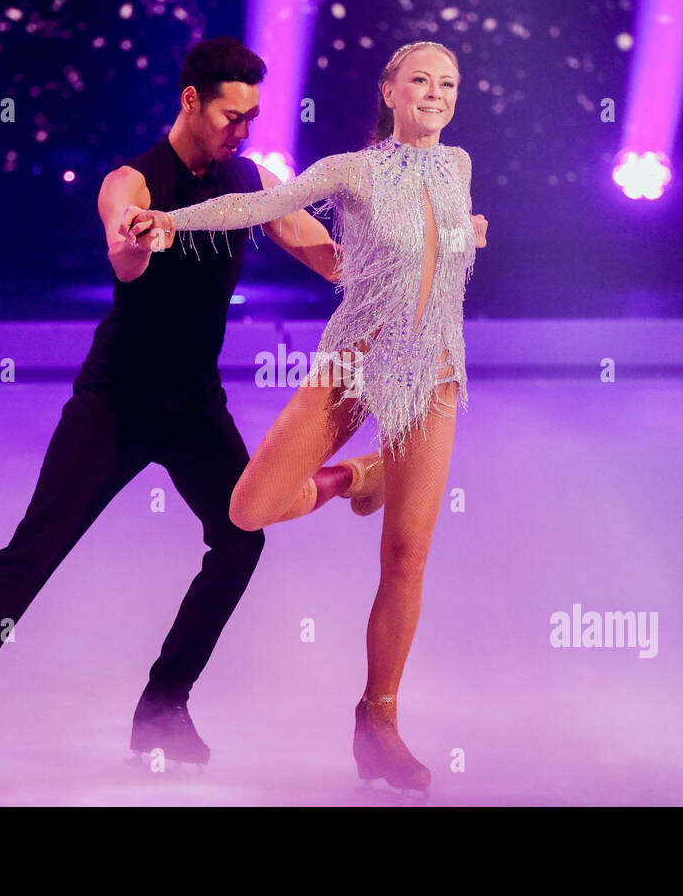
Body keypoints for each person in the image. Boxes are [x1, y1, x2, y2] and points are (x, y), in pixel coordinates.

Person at [0, 35, 361, 780]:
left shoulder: (251, 181)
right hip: (115, 403)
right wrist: (139, 237)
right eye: (232, 116)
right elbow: (124, 250)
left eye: (252, 117)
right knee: (33, 554)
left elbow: (320, 251)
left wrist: (418, 258)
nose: (244, 131)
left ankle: (163, 710)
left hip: (194, 404)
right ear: (191, 101)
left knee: (241, 539)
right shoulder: (132, 180)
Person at [126, 41, 488, 792]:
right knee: (249, 508)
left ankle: (378, 721)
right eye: (420, 80)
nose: (435, 93)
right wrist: (168, 220)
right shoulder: (351, 171)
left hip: (434, 375)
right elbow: (256, 206)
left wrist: (469, 234)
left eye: (448, 83)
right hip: (352, 364)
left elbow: (444, 249)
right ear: (389, 91)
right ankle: (357, 477)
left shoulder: (458, 167)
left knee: (406, 558)